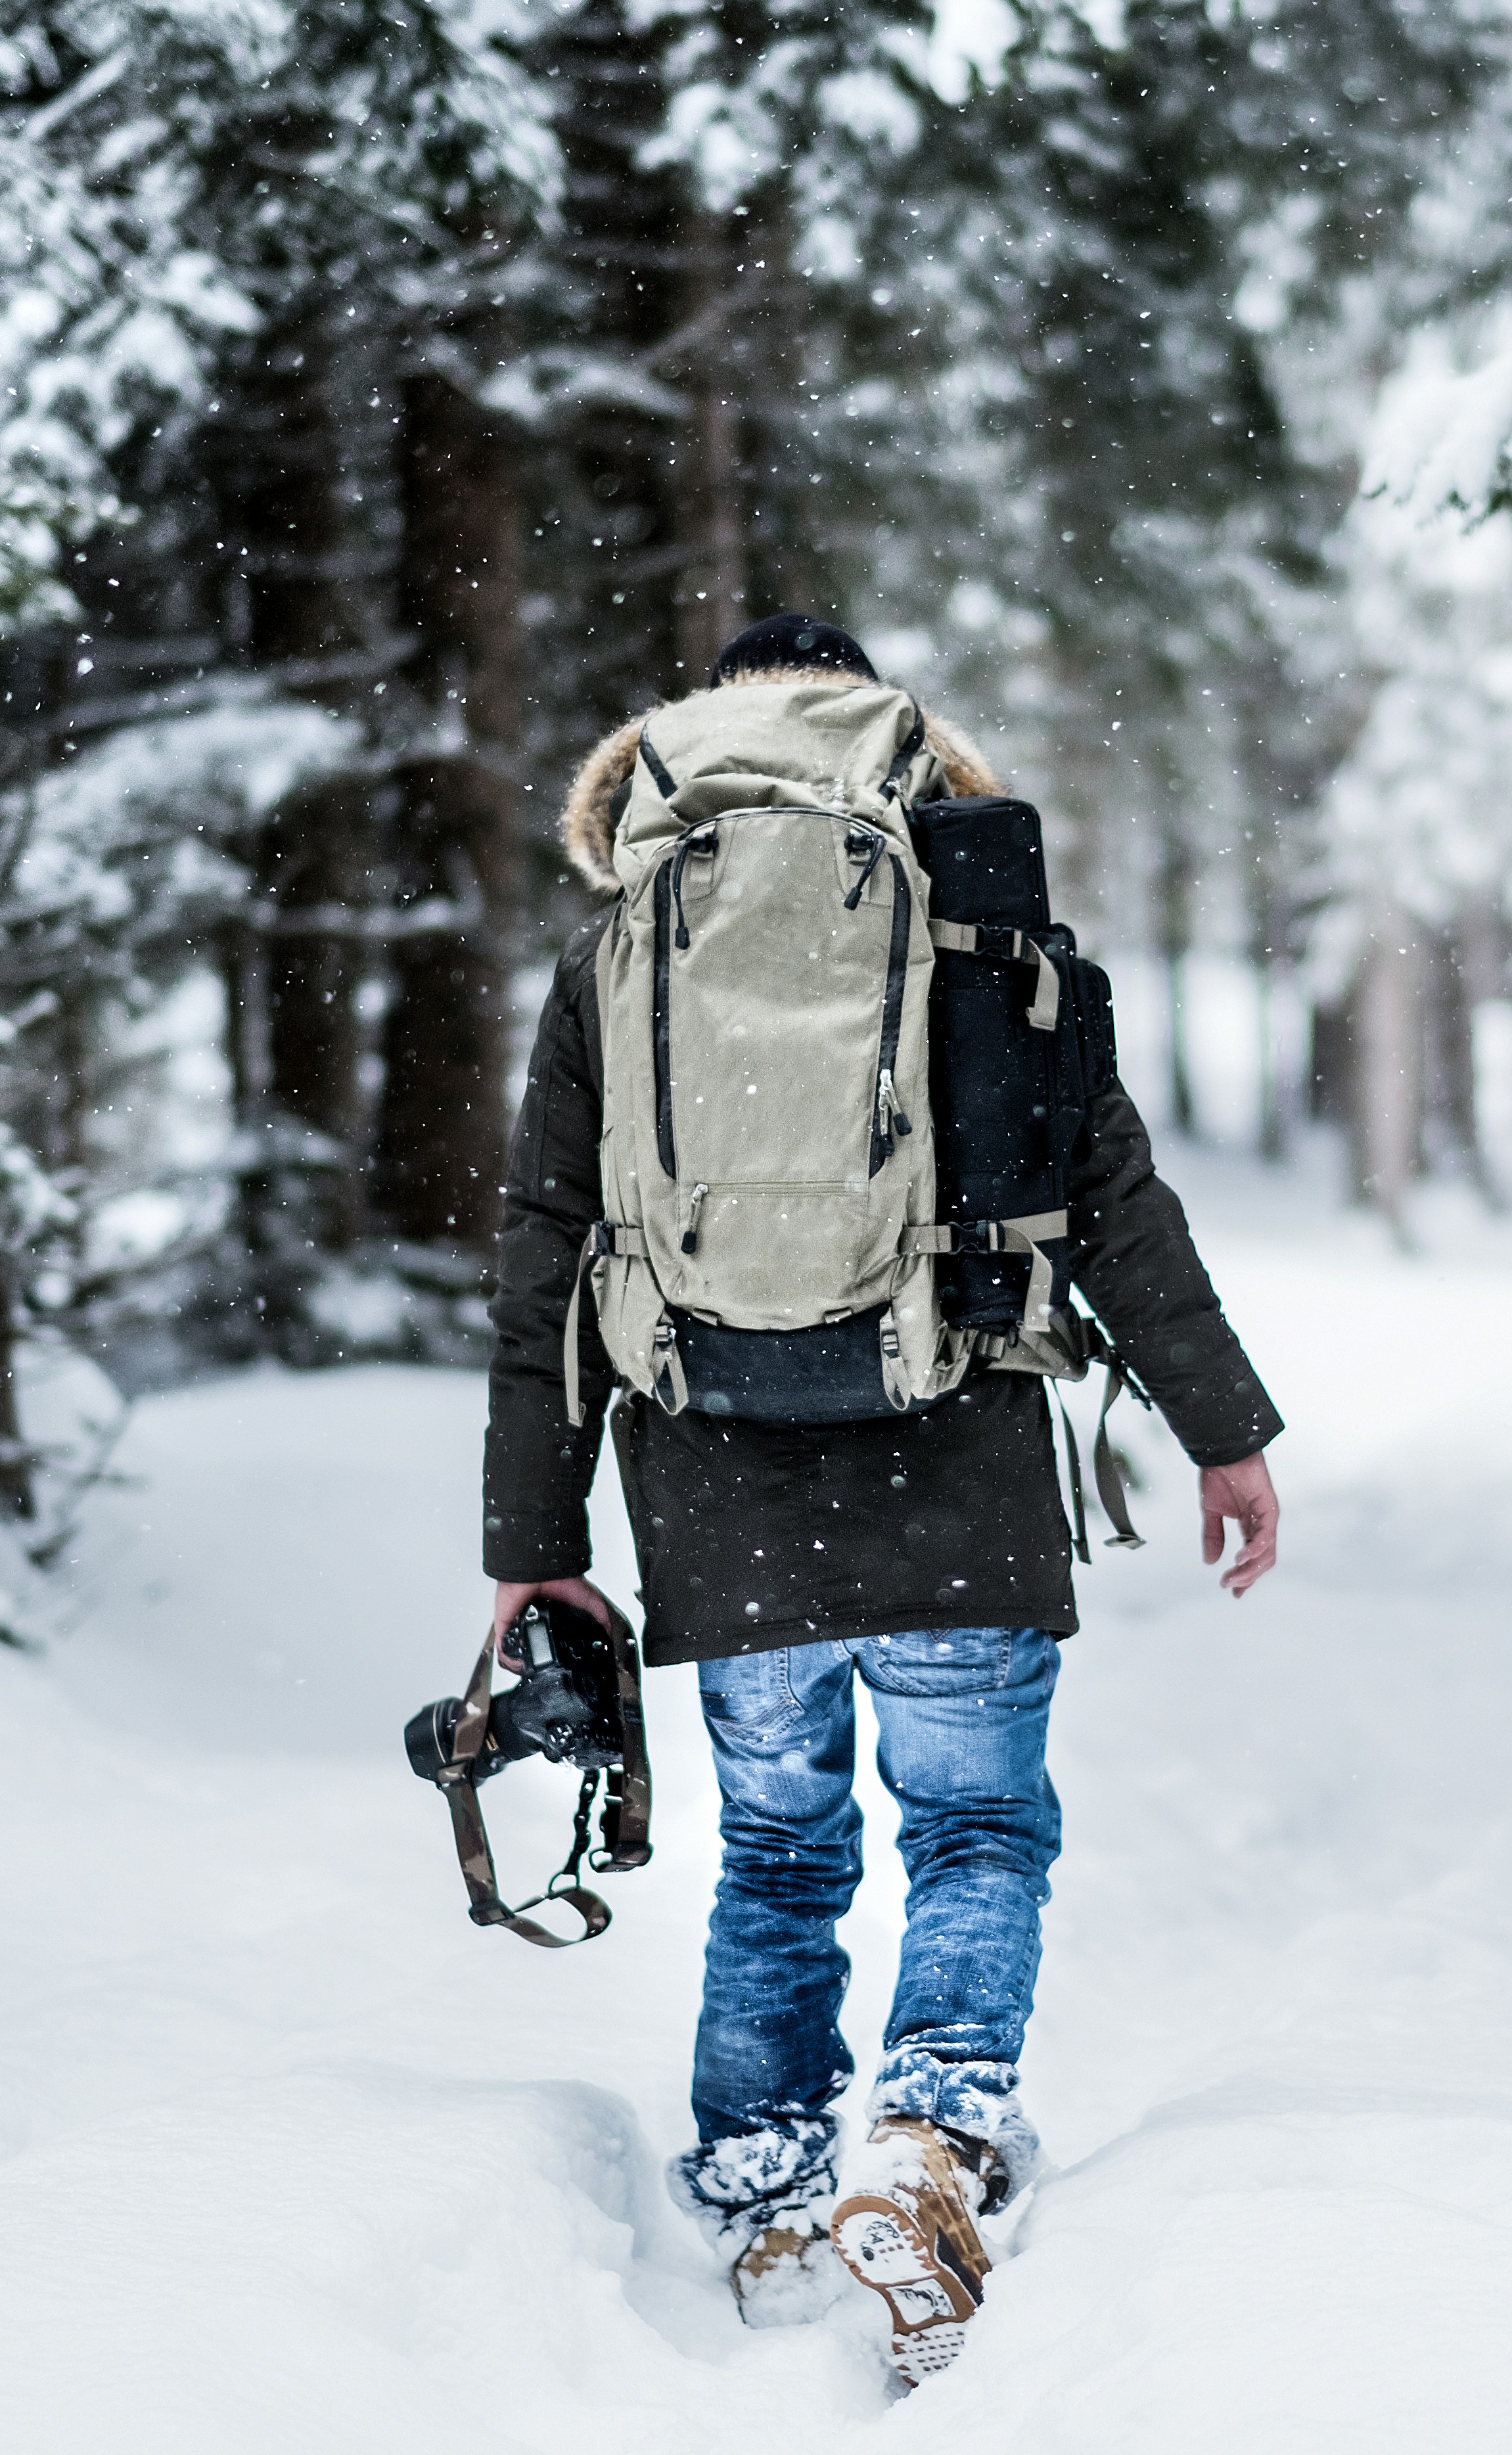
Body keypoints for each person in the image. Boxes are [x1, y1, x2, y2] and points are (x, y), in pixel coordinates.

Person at [479, 613, 1285, 2383]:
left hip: (715, 1465)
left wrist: (534, 1549)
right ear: (890, 745)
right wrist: (1224, 1429)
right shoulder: (984, 925)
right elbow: (1110, 1192)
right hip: (961, 1449)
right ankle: (933, 2135)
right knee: (979, 1832)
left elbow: (550, 1249)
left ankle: (770, 2193)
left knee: (775, 1853)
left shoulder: (623, 945)